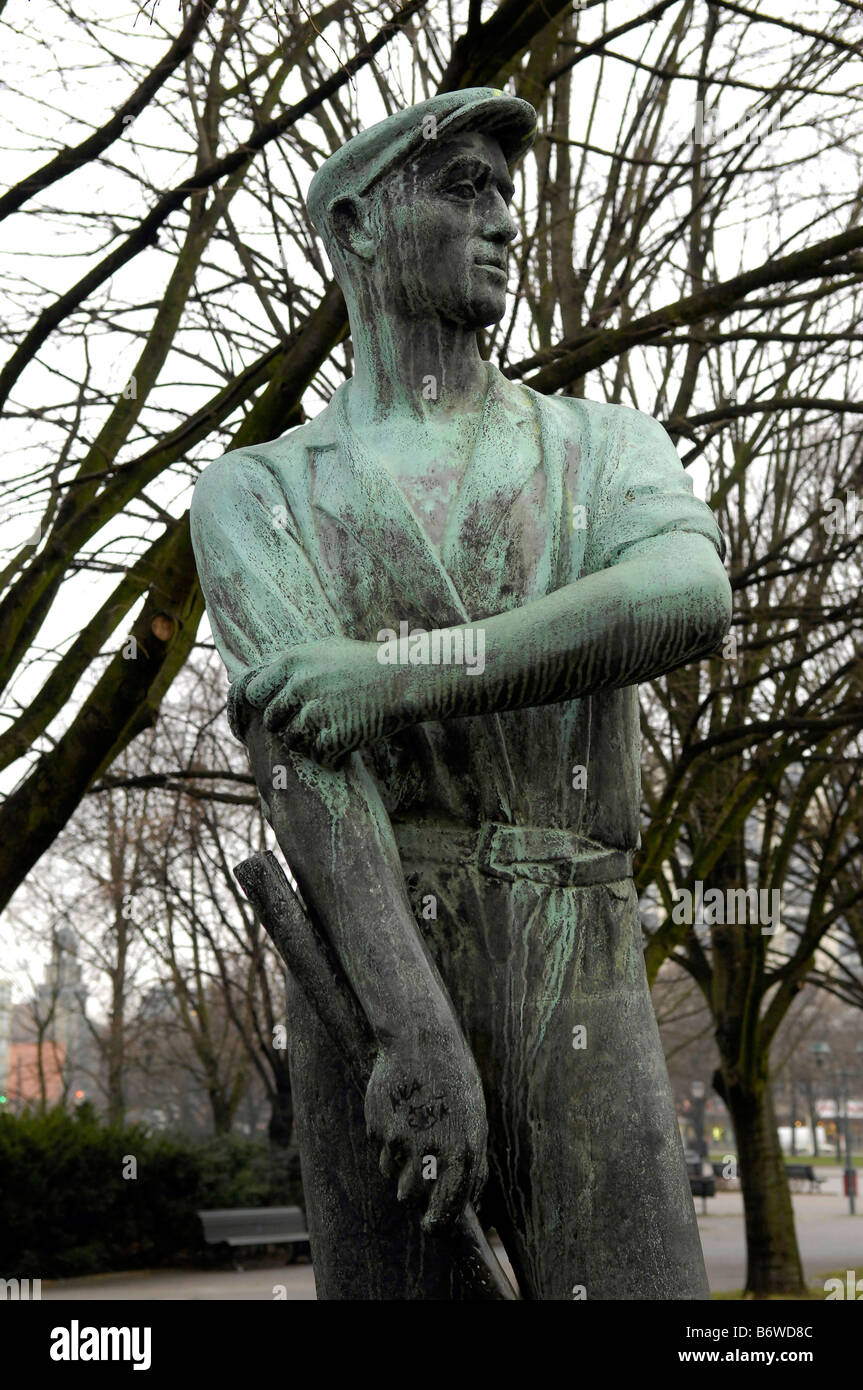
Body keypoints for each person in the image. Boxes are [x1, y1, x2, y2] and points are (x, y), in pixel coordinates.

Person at [191, 88, 731, 1299]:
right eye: (461, 188)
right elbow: (303, 773)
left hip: (576, 965)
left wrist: (394, 675)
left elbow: (688, 592)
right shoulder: (257, 490)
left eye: (506, 190)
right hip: (377, 993)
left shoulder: (599, 446)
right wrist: (413, 1031)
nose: (502, 218)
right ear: (354, 228)